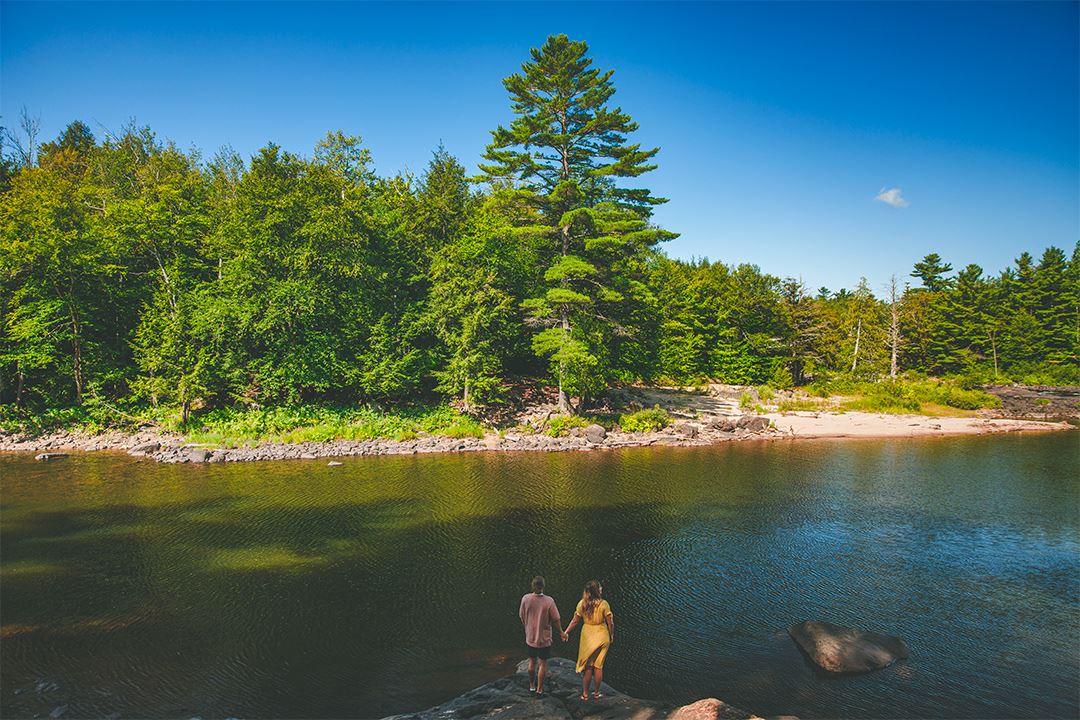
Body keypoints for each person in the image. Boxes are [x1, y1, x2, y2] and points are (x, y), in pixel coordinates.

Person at [562, 579, 614, 701]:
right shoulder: (604, 604)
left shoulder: (582, 604)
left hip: (588, 636)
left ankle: (585, 694)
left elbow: (575, 620)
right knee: (598, 666)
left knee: (588, 667)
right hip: (602, 635)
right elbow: (610, 622)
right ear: (597, 591)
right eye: (600, 588)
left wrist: (566, 632)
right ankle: (596, 693)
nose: (601, 589)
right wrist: (611, 635)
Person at [519, 575, 564, 695]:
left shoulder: (525, 599)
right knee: (542, 664)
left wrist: (527, 627)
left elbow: (521, 615)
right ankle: (539, 689)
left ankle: (531, 686)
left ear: (533, 586)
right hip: (544, 639)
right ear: (543, 586)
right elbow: (556, 619)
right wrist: (561, 632)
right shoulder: (549, 601)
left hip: (530, 637)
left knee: (532, 662)